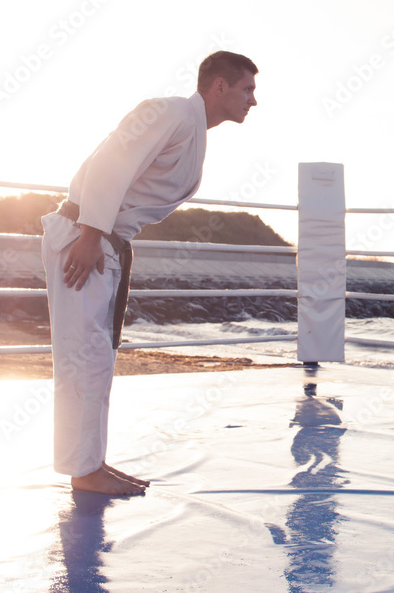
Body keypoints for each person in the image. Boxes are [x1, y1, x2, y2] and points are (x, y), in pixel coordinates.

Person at [41, 51, 258, 495]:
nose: (253, 101)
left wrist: (99, 236)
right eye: (247, 89)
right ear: (219, 86)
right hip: (86, 236)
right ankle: (84, 472)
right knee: (84, 357)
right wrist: (89, 235)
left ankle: (89, 463)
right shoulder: (171, 112)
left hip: (102, 239)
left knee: (95, 359)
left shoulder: (192, 128)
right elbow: (109, 164)